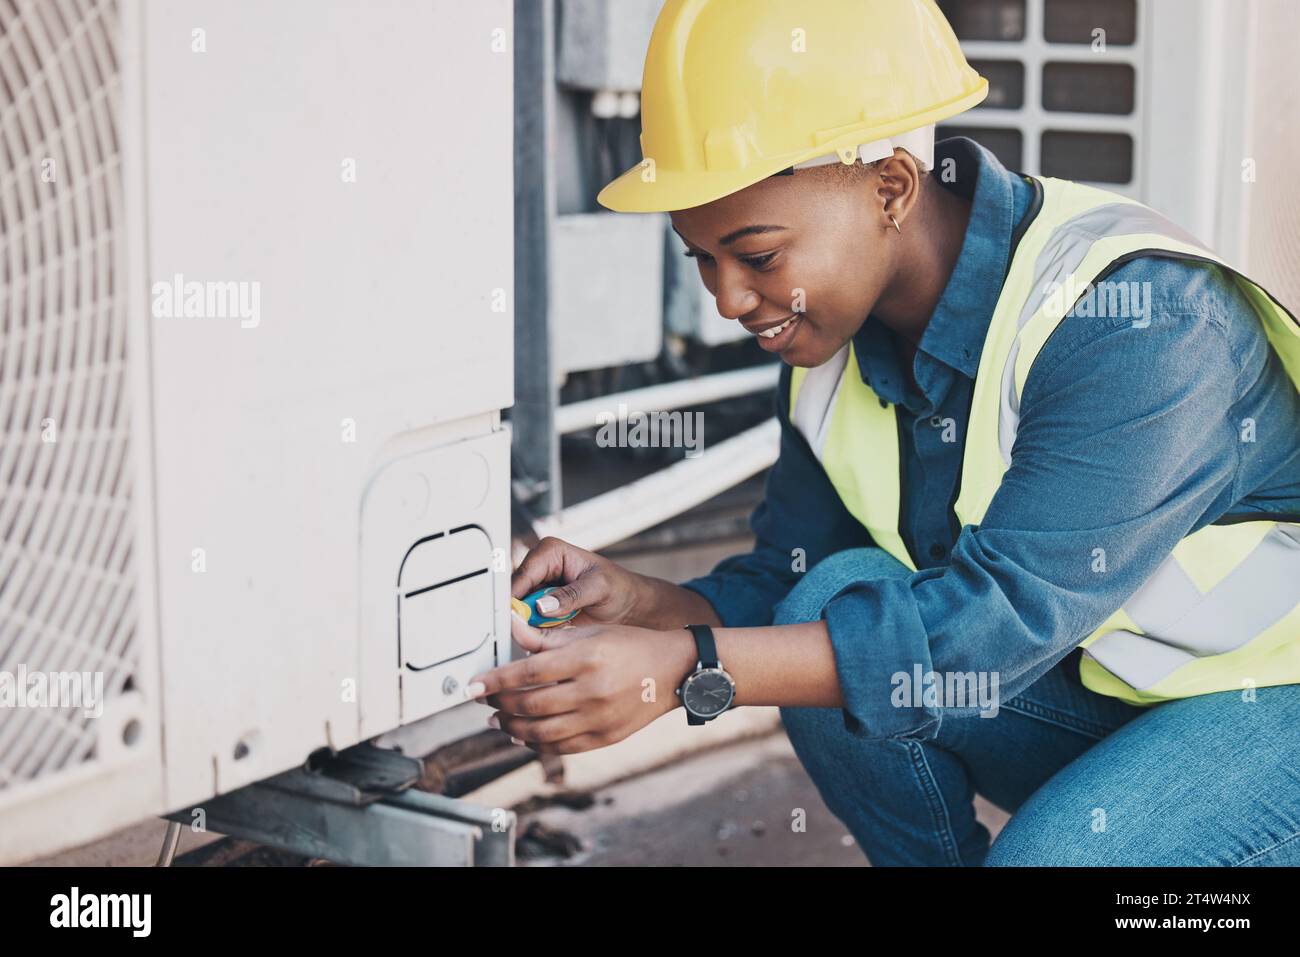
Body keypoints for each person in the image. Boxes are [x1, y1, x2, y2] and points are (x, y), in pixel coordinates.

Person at [467, 0, 1300, 865]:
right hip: (1113, 694)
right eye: (702, 259)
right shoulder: (829, 341)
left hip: (1273, 709)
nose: (727, 300)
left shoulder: (1137, 324)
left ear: (892, 188)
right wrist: (638, 604)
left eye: (756, 256)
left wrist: (681, 669)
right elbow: (787, 582)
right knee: (827, 604)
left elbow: (998, 619)